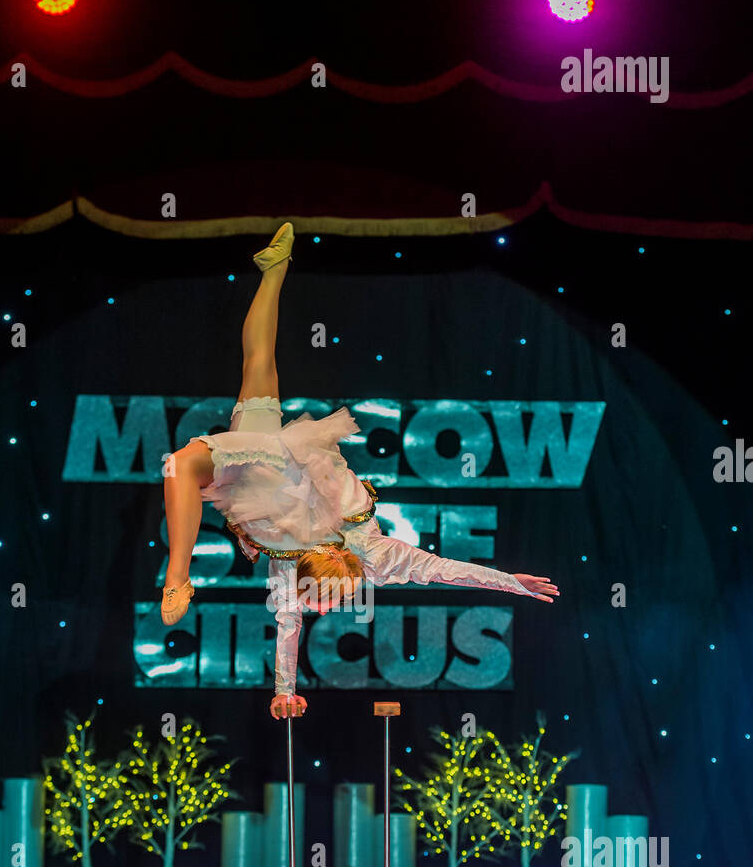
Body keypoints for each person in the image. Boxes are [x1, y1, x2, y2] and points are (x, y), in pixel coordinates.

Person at [161, 223, 559, 718]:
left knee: (259, 363)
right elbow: (442, 571)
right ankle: (178, 575)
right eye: (325, 601)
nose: (322, 610)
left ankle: (275, 270)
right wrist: (510, 581)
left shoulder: (295, 571)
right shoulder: (373, 553)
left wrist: (284, 692)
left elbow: (290, 626)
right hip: (267, 464)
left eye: (323, 603)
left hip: (260, 471)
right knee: (180, 464)